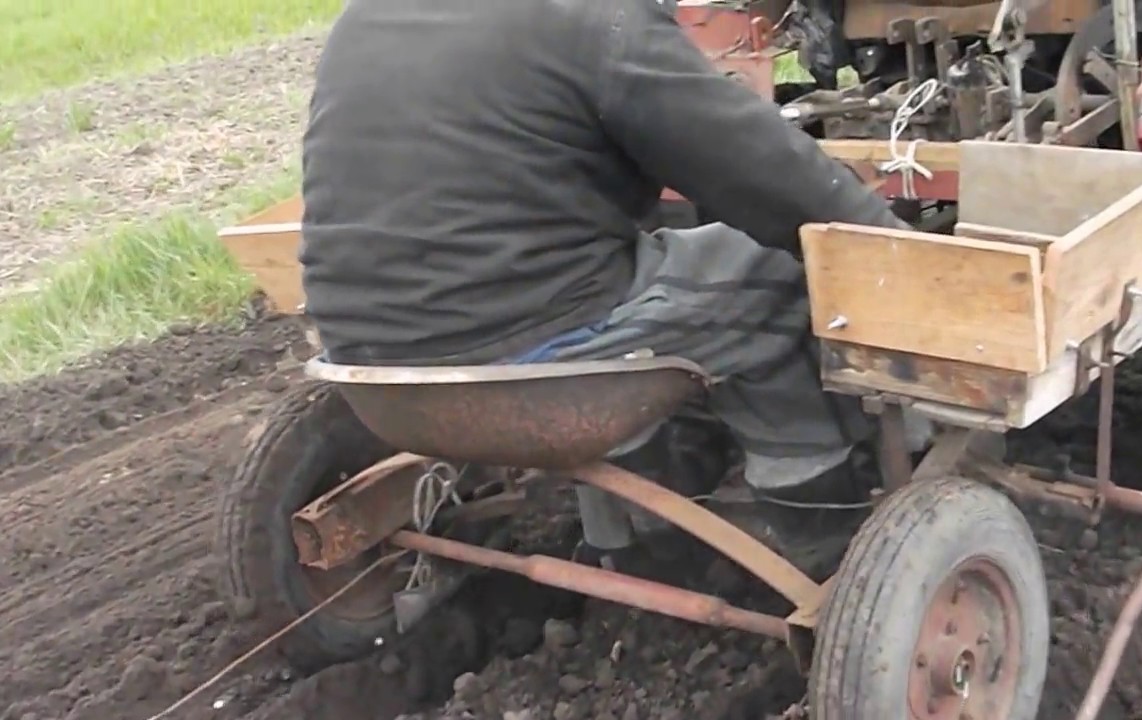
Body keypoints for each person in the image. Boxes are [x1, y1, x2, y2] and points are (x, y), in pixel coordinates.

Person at [299, 0, 932, 576]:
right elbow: (764, 174)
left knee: (607, 273)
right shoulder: (593, 18)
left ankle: (635, 535)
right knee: (782, 272)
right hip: (525, 348)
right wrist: (897, 250)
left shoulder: (366, 17)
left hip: (363, 356)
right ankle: (818, 516)